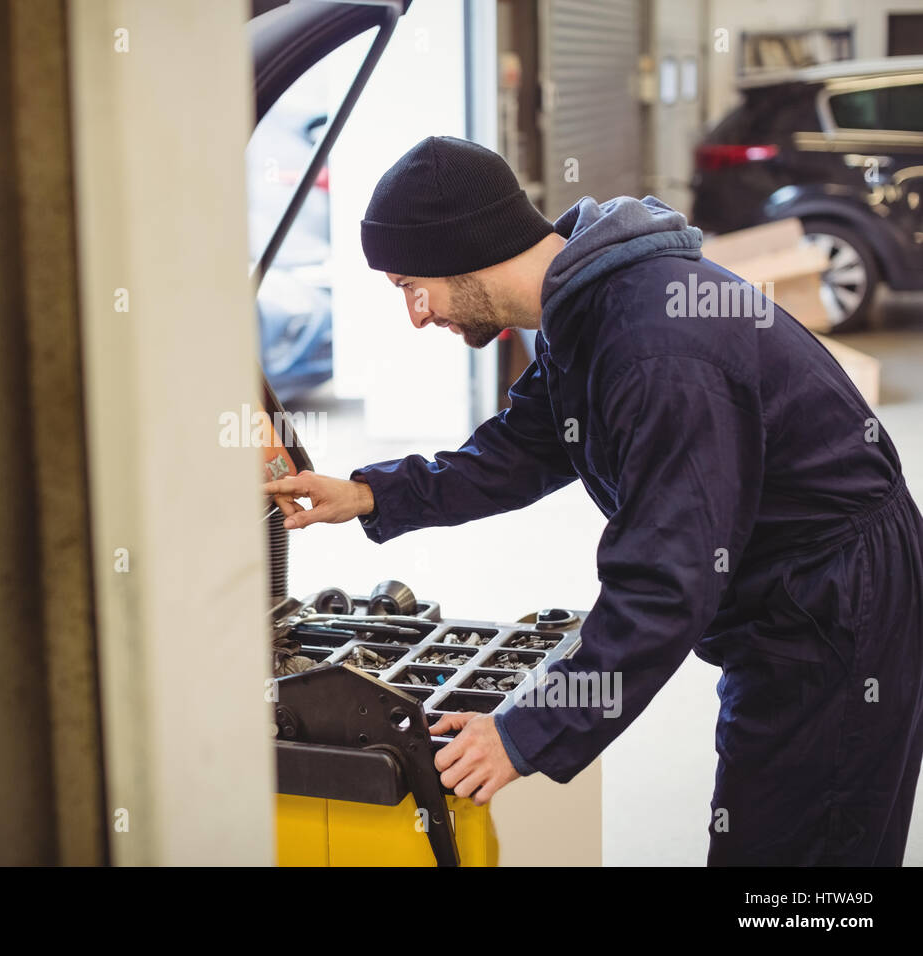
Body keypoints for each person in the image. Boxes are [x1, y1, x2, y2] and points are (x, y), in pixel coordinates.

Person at [263, 136, 923, 866]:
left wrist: (526, 731)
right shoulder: (587, 304)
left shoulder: (655, 346)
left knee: (802, 856)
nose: (416, 315)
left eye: (409, 285)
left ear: (463, 246)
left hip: (839, 605)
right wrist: (367, 493)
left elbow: (667, 579)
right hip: (795, 590)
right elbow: (524, 447)